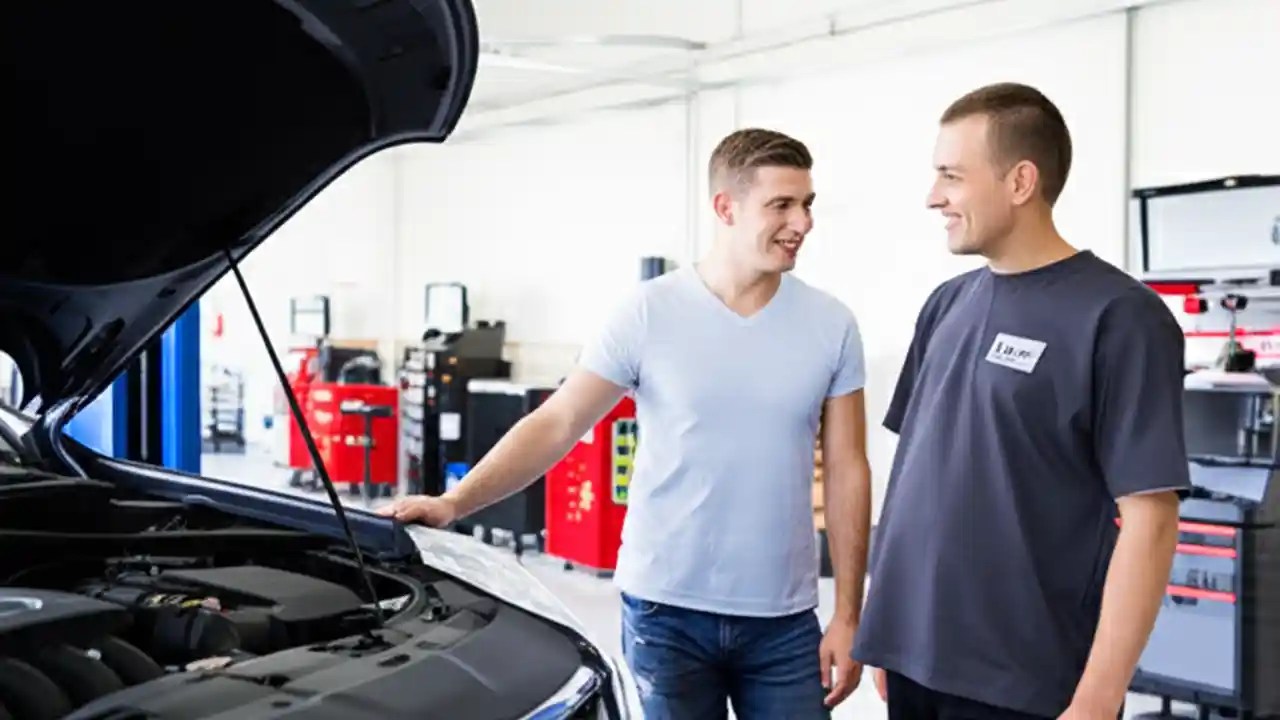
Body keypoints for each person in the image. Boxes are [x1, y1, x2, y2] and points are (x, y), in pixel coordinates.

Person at [379, 128, 874, 719]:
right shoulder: (648, 313)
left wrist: (849, 613)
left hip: (783, 618)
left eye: (807, 204)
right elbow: (559, 421)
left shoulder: (830, 324)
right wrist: (456, 501)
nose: (803, 223)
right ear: (726, 207)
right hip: (665, 614)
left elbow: (848, 467)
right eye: (782, 205)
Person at [851, 82, 1189, 720]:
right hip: (914, 662)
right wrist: (886, 628)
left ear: (1020, 181)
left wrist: (1097, 699)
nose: (933, 197)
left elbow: (1151, 520)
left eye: (952, 176)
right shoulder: (947, 304)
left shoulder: (1121, 318)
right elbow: (918, 479)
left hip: (1028, 685)